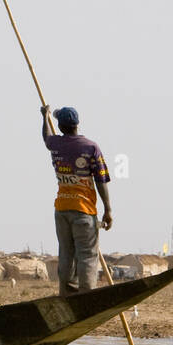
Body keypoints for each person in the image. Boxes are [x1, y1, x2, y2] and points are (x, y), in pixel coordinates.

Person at [41, 105, 112, 296]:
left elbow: (46, 137)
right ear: (77, 124)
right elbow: (101, 180)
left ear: (61, 126)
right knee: (88, 256)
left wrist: (45, 118)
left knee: (66, 254)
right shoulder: (90, 147)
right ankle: (86, 297)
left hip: (62, 209)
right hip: (84, 210)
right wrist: (108, 209)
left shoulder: (56, 144)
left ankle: (68, 295)